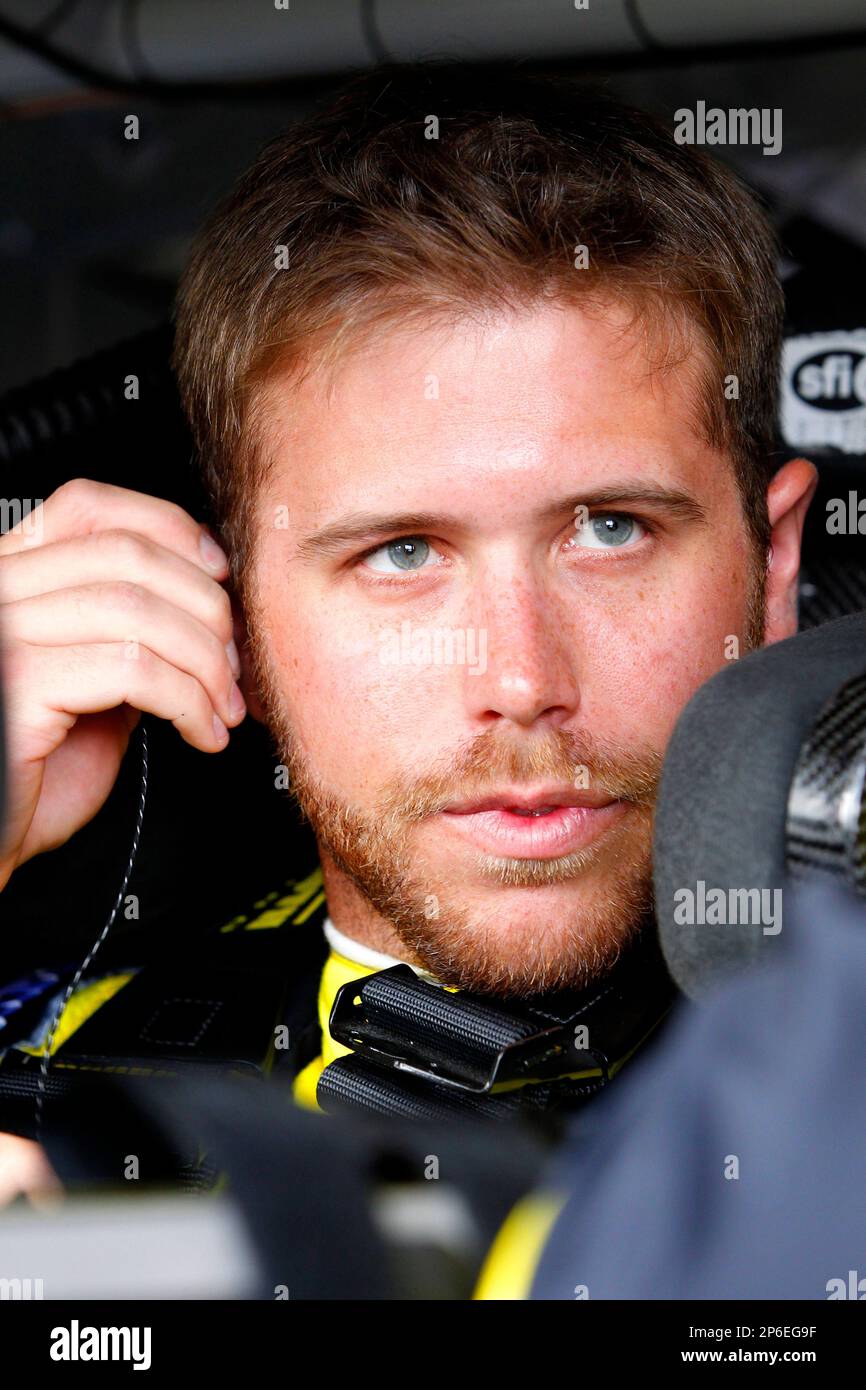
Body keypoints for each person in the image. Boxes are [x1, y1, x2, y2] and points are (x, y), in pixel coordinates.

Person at [0, 62, 817, 1198]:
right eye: (401, 553)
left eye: (609, 530)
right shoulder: (63, 1082)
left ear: (771, 568)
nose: (520, 678)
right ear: (231, 607)